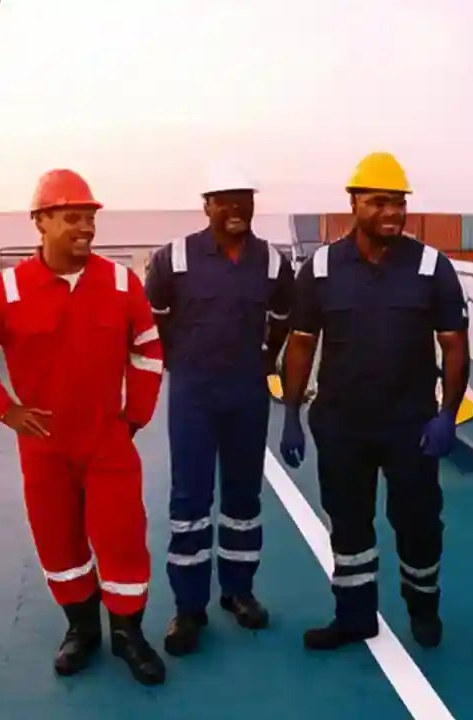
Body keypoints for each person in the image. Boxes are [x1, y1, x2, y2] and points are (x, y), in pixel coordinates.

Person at [0, 168, 167, 685]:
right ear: (40, 222)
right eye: (72, 217)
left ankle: (129, 636)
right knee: (59, 541)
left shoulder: (120, 282)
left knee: (123, 540)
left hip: (107, 437)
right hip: (43, 444)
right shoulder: (4, 291)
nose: (85, 227)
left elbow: (149, 347)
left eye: (90, 217)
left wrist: (135, 413)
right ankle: (82, 629)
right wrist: (7, 410)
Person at [279, 151, 470, 651]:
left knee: (420, 524)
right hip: (342, 425)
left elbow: (454, 344)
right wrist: (293, 413)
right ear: (354, 203)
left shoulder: (432, 267)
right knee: (347, 522)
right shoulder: (320, 268)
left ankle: (423, 610)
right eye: (379, 202)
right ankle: (354, 616)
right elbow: (301, 341)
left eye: (399, 203)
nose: (392, 213)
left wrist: (447, 415)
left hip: (411, 426)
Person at [143, 165, 295, 656]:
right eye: (224, 199)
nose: (235, 209)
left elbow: (282, 321)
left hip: (247, 392)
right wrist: (184, 363)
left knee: (243, 497)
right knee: (189, 499)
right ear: (205, 204)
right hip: (193, 392)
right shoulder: (175, 258)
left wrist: (263, 364)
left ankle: (238, 591)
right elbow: (156, 319)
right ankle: (189, 608)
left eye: (243, 198)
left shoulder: (272, 262)